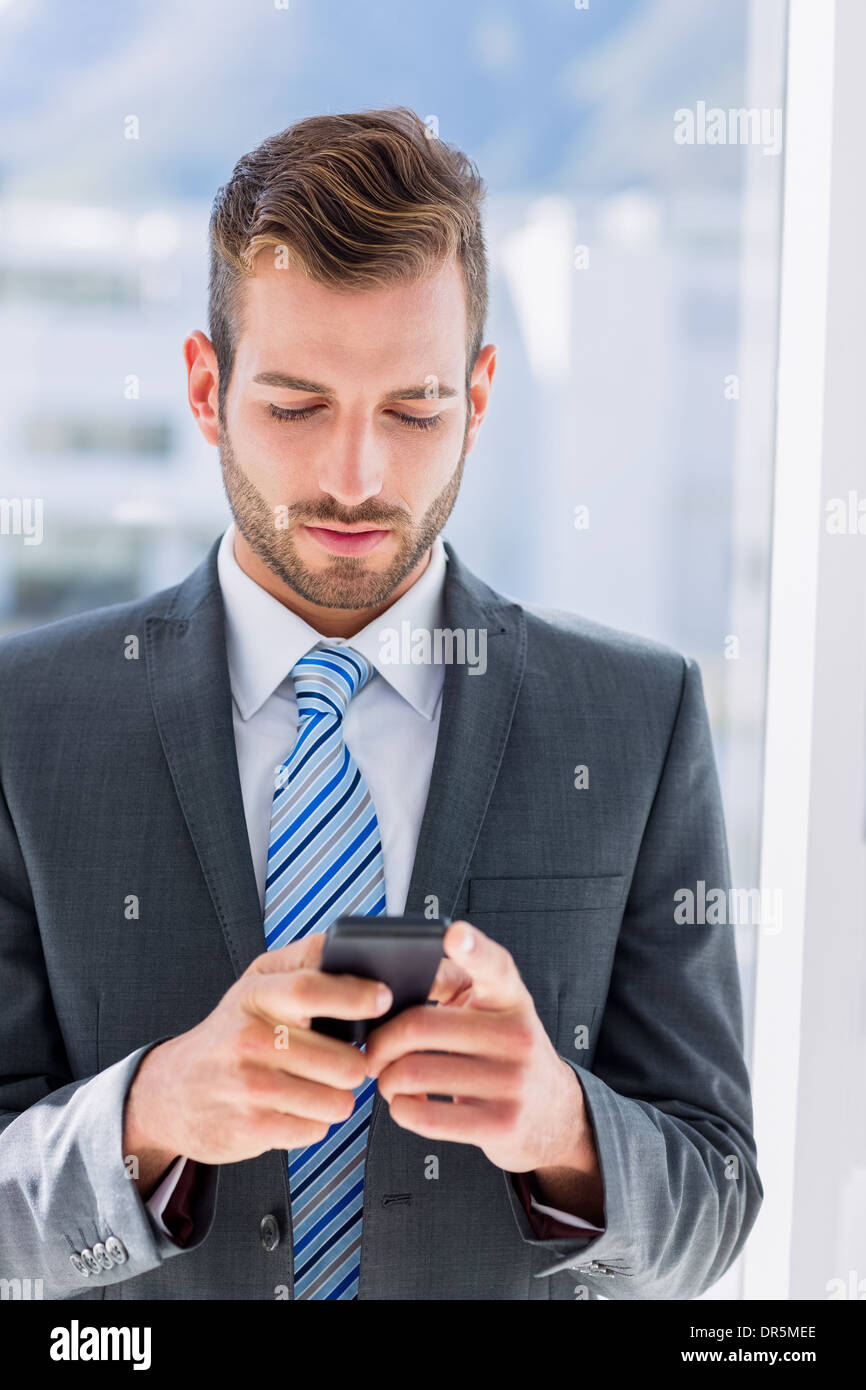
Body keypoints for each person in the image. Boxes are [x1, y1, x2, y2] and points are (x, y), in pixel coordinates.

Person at [0, 107, 761, 1301]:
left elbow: (713, 1202)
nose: (355, 478)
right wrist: (148, 1113)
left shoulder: (638, 717)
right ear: (206, 390)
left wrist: (564, 1133)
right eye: (297, 407)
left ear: (480, 393)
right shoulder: (23, 722)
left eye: (413, 412)